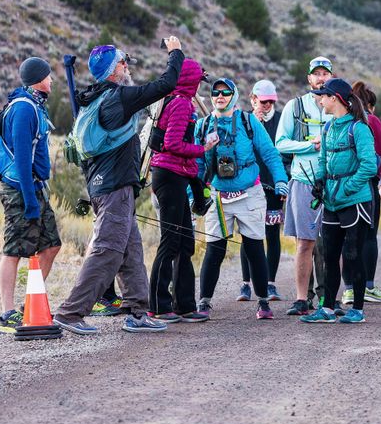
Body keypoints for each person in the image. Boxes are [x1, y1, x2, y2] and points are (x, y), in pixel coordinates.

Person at [53, 39, 184, 335]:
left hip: (108, 186)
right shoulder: (119, 97)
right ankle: (70, 312)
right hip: (114, 189)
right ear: (115, 70)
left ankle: (137, 311)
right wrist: (175, 52)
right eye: (124, 63)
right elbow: (166, 84)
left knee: (131, 248)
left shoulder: (94, 99)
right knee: (109, 250)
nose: (127, 67)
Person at [197, 78, 289, 320]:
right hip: (218, 195)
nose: (220, 96)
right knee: (215, 249)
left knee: (254, 246)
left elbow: (269, 153)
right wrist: (193, 194)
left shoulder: (249, 123)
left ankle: (263, 302)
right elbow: (196, 164)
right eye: (215, 92)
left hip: (250, 193)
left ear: (234, 96)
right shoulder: (203, 125)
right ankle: (204, 302)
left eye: (225, 92)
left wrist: (280, 180)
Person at [300, 78, 380, 324]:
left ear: (335, 99)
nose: (320, 99)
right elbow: (323, 161)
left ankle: (357, 310)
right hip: (332, 201)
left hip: (355, 202)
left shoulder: (359, 128)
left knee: (353, 254)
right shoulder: (327, 128)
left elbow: (369, 166)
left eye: (323, 95)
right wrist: (320, 182)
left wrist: (346, 188)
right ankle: (327, 309)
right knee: (330, 256)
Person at [0, 57, 62, 333]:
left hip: (33, 186)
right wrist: (30, 200)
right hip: (21, 188)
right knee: (13, 249)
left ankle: (30, 304)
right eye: (48, 75)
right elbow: (22, 158)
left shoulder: (34, 105)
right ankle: (7, 313)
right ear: (38, 78)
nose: (51, 79)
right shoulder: (24, 109)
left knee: (51, 245)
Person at [149, 58, 215, 323]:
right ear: (190, 80)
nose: (200, 85)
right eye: (198, 80)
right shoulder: (179, 104)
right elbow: (172, 143)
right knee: (170, 242)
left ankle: (184, 305)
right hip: (170, 177)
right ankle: (159, 305)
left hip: (176, 176)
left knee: (184, 242)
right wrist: (203, 149)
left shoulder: (178, 101)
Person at [276, 57, 336, 316]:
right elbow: (280, 142)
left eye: (325, 73)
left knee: (332, 243)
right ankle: (302, 298)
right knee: (305, 243)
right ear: (308, 78)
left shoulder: (338, 105)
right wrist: (309, 146)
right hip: (304, 181)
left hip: (334, 181)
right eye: (316, 74)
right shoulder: (295, 106)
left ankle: (328, 297)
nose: (321, 78)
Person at [339, 81, 381, 308]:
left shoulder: (341, 121)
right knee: (369, 235)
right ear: (370, 104)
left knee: (346, 237)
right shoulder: (370, 121)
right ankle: (369, 287)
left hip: (342, 186)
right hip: (367, 186)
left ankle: (348, 290)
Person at [239, 80, 285, 303]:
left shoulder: (280, 121)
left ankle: (271, 283)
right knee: (248, 234)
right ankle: (246, 283)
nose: (267, 105)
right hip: (248, 186)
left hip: (273, 186)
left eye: (271, 102)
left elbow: (284, 153)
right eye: (263, 101)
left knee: (272, 234)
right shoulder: (243, 121)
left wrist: (282, 181)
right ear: (253, 99)